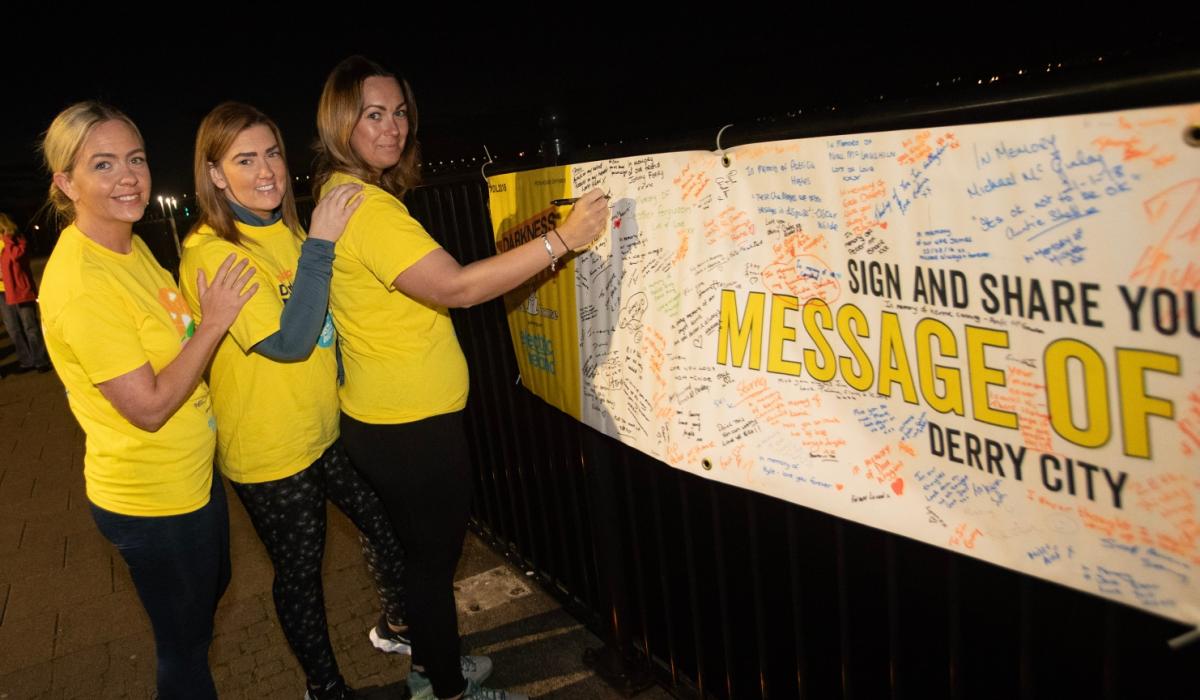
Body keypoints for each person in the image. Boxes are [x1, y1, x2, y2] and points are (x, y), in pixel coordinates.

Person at [313, 55, 608, 700]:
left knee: (424, 555)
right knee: (432, 562)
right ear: (341, 122)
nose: (393, 127)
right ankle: (443, 687)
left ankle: (431, 667)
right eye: (373, 114)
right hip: (409, 424)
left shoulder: (344, 196)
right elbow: (458, 287)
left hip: (383, 415)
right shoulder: (370, 211)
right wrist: (566, 238)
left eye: (399, 113)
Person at [180, 101, 478, 700]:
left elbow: (330, 320)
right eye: (244, 159)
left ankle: (404, 629)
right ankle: (326, 687)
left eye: (272, 153)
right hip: (272, 451)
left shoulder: (284, 229)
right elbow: (291, 343)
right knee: (301, 575)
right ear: (214, 175)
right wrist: (320, 244)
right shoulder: (215, 253)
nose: (267, 170)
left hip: (329, 428)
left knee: (391, 532)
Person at [38, 101, 257, 699]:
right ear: (66, 183)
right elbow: (150, 406)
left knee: (208, 601)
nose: (128, 177)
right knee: (183, 652)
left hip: (191, 478)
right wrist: (214, 323)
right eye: (102, 165)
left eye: (134, 159)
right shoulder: (83, 282)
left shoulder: (129, 247)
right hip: (152, 500)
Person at [0, 212, 51, 374]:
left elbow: (17, 257)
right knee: (13, 329)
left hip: (19, 288)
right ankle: (26, 360)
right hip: (1, 292)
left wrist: (7, 240)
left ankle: (40, 359)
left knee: (30, 326)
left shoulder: (15, 240)